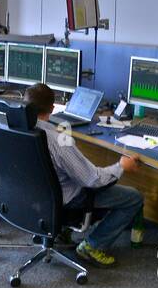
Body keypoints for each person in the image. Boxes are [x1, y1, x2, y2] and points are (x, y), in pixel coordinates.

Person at [25, 82, 145, 267]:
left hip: (30, 197)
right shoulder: (59, 141)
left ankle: (60, 232)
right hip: (66, 200)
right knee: (134, 197)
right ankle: (92, 246)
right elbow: (93, 180)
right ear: (52, 107)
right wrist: (121, 165)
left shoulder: (14, 129)